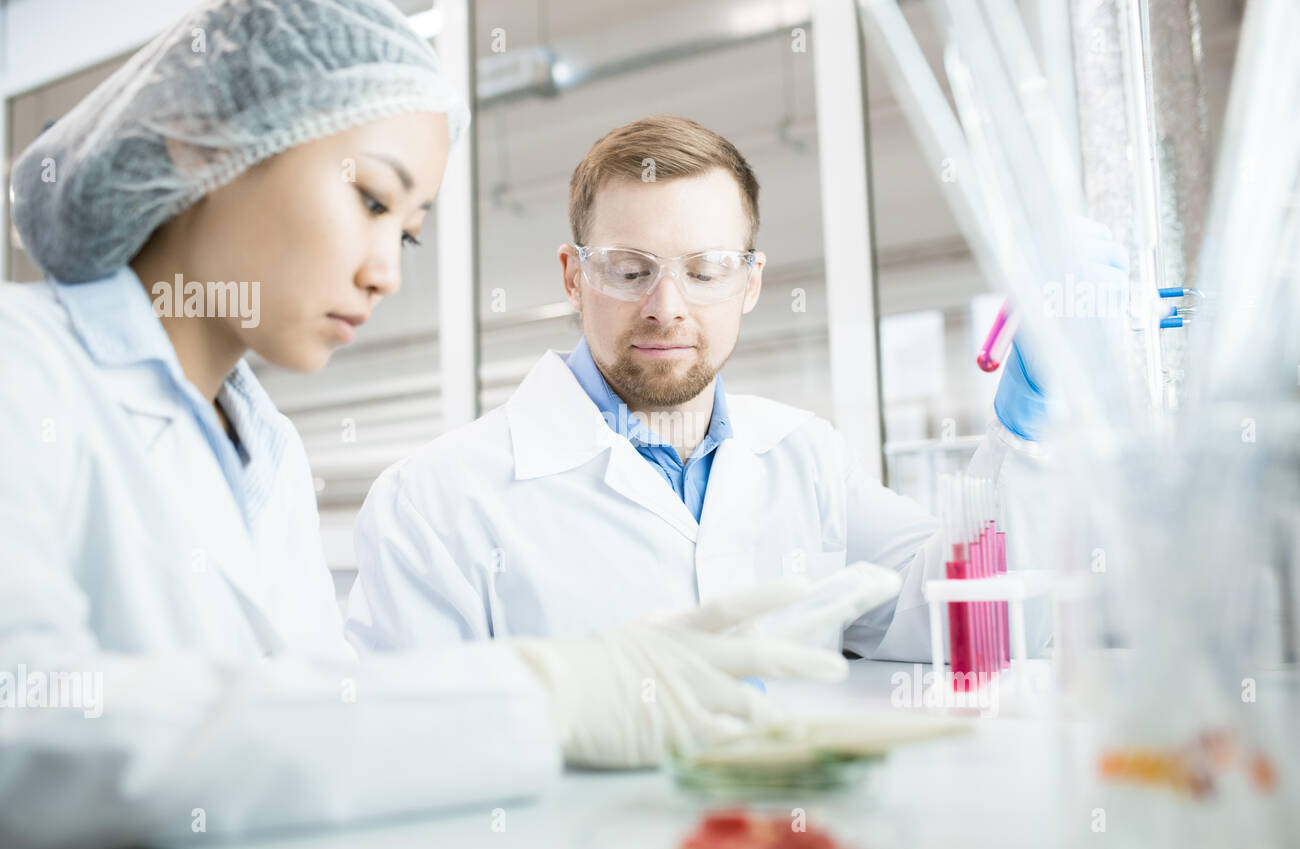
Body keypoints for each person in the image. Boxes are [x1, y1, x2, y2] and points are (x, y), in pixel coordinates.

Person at [0, 1, 881, 849]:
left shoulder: (264, 449)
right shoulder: (23, 371)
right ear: (201, 138)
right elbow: (27, 734)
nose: (385, 271)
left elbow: (321, 737)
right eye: (372, 199)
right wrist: (545, 695)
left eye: (409, 233)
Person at [346, 115, 1129, 661]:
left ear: (751, 284)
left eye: (706, 268)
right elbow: (409, 756)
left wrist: (1026, 437)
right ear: (573, 278)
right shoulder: (436, 502)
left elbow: (971, 624)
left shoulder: (805, 457)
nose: (667, 305)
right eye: (628, 268)